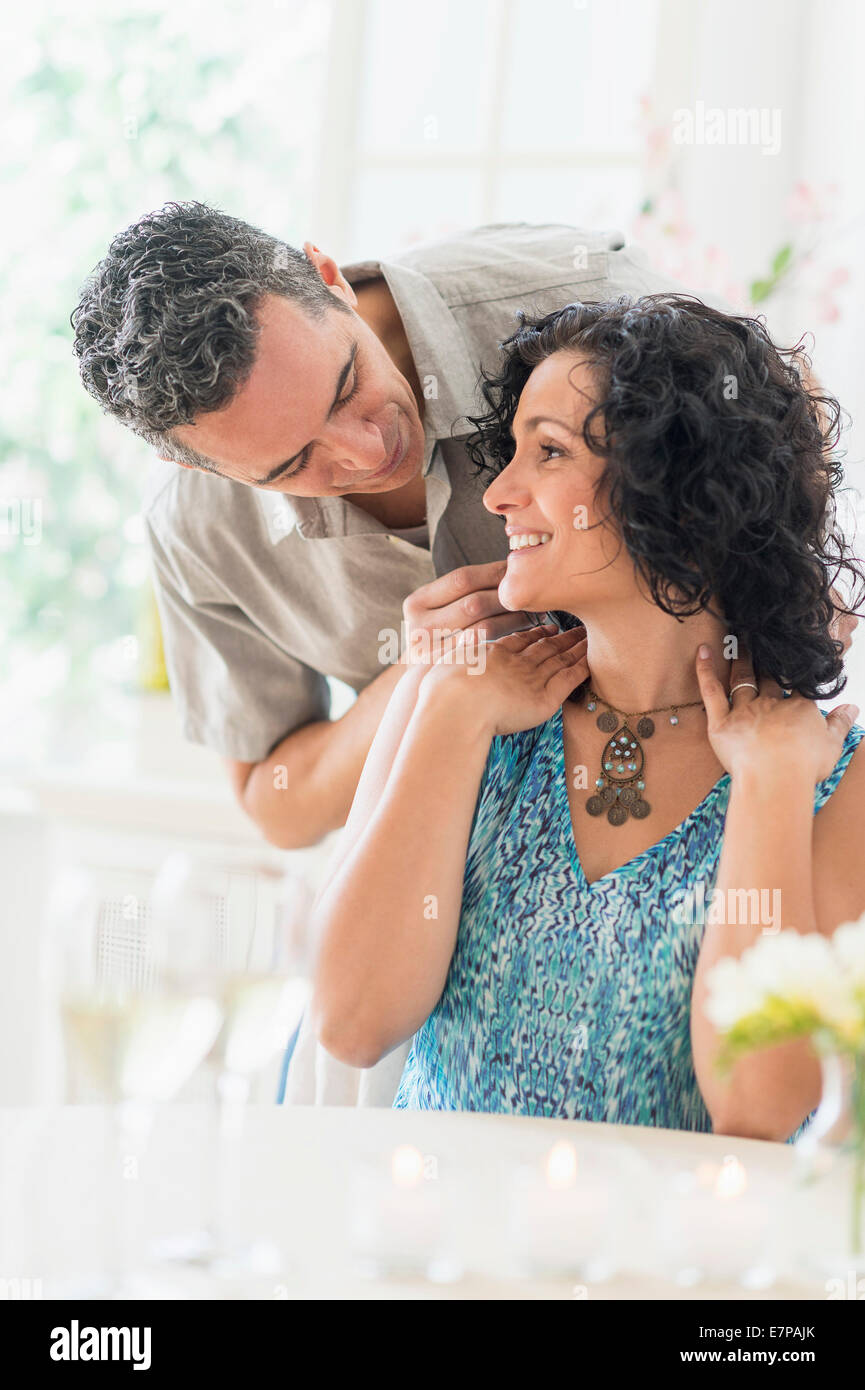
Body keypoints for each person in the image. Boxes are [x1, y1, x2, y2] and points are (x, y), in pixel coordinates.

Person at [71, 204, 856, 851]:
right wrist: (419, 680)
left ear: (328, 277)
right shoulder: (197, 531)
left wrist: (784, 605)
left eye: (347, 385)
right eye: (292, 463)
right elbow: (278, 804)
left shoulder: (571, 294)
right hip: (438, 880)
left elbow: (767, 427)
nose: (369, 452)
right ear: (199, 467)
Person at [310, 294, 865, 1139]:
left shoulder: (830, 774)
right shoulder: (454, 704)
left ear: (680, 496)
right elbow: (352, 1026)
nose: (497, 494)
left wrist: (771, 784)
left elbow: (761, 1107)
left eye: (549, 452)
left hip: (670, 1271)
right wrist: (450, 714)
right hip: (434, 1258)